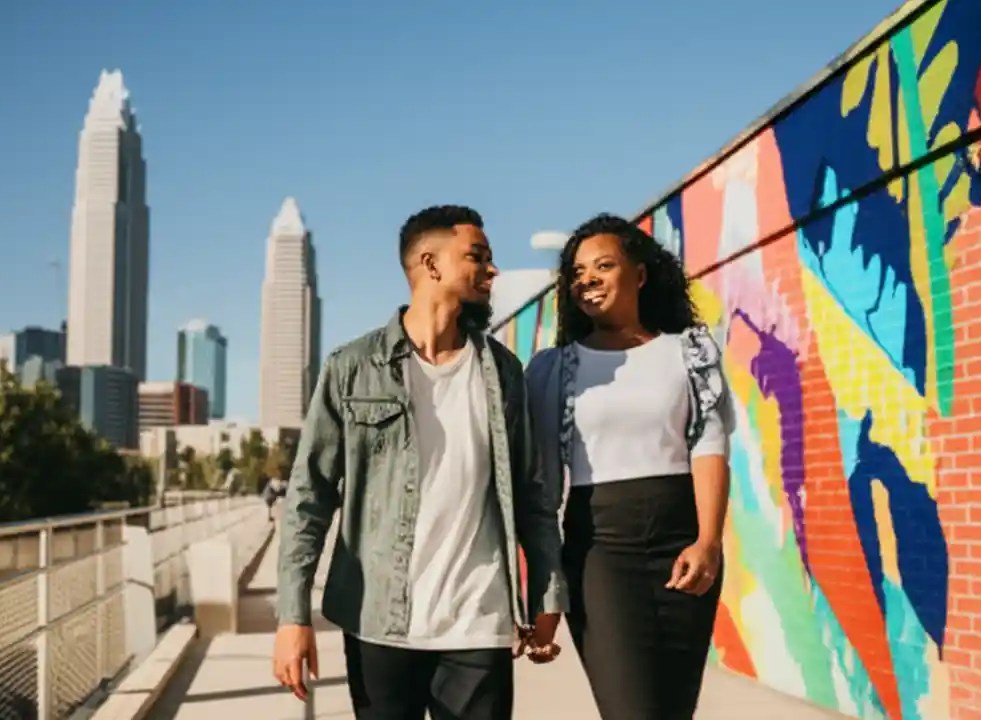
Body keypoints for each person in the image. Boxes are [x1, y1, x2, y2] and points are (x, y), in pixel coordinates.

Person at [273, 205, 568, 719]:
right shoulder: (351, 369)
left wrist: (547, 592)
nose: (492, 271)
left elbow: (532, 496)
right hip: (376, 620)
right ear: (430, 265)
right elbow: (308, 498)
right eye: (477, 257)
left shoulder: (501, 371)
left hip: (478, 619)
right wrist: (291, 617)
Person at [525, 213, 733, 719]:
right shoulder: (553, 369)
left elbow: (710, 444)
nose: (586, 279)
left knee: (672, 710)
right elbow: (542, 491)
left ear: (639, 275)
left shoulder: (690, 352)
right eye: (576, 272)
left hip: (682, 541)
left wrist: (708, 542)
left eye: (603, 265)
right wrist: (543, 595)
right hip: (600, 553)